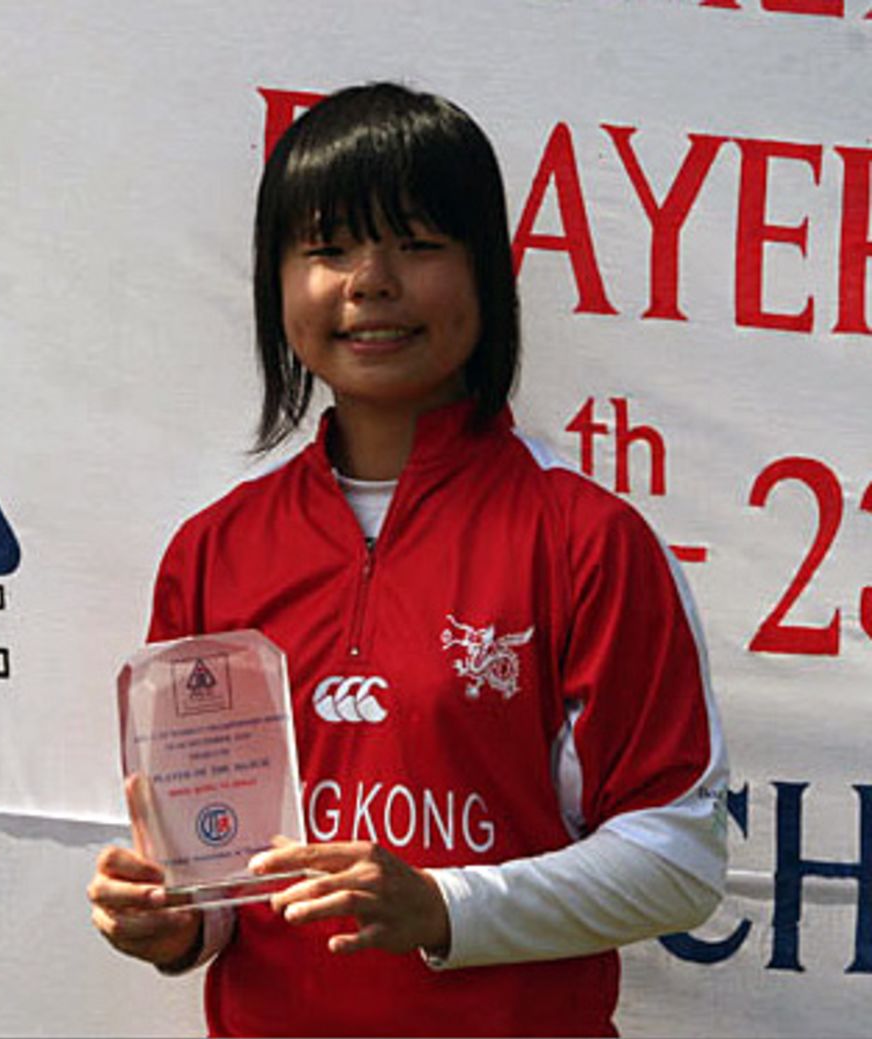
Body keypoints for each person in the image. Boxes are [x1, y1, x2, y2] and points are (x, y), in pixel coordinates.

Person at [88, 82, 729, 1037]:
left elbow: (677, 859)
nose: (370, 280)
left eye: (419, 243)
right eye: (328, 248)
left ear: (489, 276)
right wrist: (171, 920)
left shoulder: (585, 537)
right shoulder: (214, 552)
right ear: (277, 282)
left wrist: (442, 907)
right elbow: (223, 877)